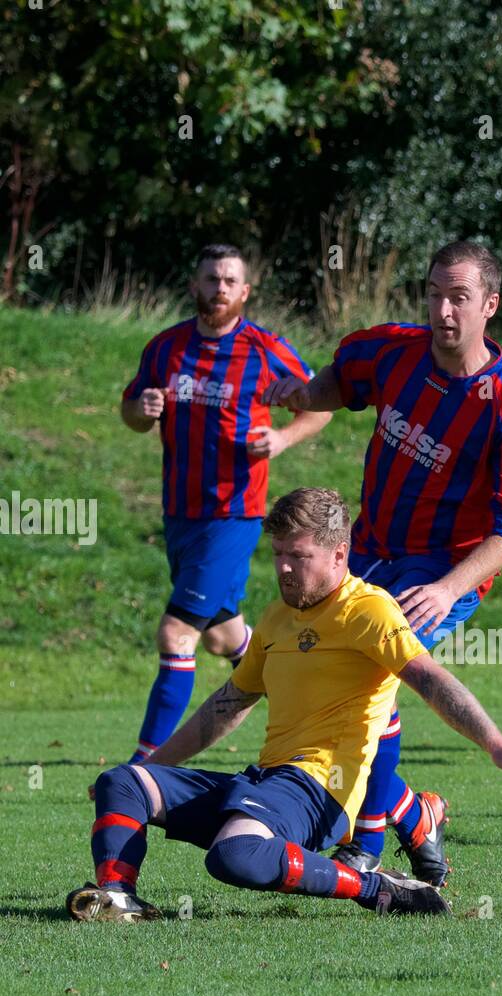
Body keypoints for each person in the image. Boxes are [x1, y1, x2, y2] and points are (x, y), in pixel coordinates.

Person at [67, 488, 502, 923]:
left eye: (297, 556)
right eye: (278, 553)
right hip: (264, 781)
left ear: (338, 555)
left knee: (233, 857)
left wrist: (494, 741)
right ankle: (116, 897)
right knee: (124, 782)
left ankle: (378, 889)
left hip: (320, 791)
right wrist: (153, 766)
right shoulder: (276, 617)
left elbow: (430, 680)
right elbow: (227, 705)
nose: (283, 567)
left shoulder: (367, 609)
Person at [261, 240, 502, 885]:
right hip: (363, 553)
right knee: (318, 672)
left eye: (460, 298)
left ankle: (365, 843)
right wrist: (306, 393)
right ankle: (414, 816)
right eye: (435, 293)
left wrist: (447, 589)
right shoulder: (392, 349)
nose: (443, 309)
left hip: (439, 574)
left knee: (372, 676)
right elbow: (346, 380)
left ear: (490, 306)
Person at [120, 243, 330, 763]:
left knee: (176, 634)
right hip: (180, 512)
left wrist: (282, 438)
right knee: (223, 639)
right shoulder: (166, 348)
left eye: (229, 280)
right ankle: (301, 689)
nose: (219, 288)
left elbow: (319, 403)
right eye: (211, 278)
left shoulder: (264, 349)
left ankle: (147, 765)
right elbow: (130, 409)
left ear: (245, 291)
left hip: (233, 513)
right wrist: (140, 411)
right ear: (195, 285)